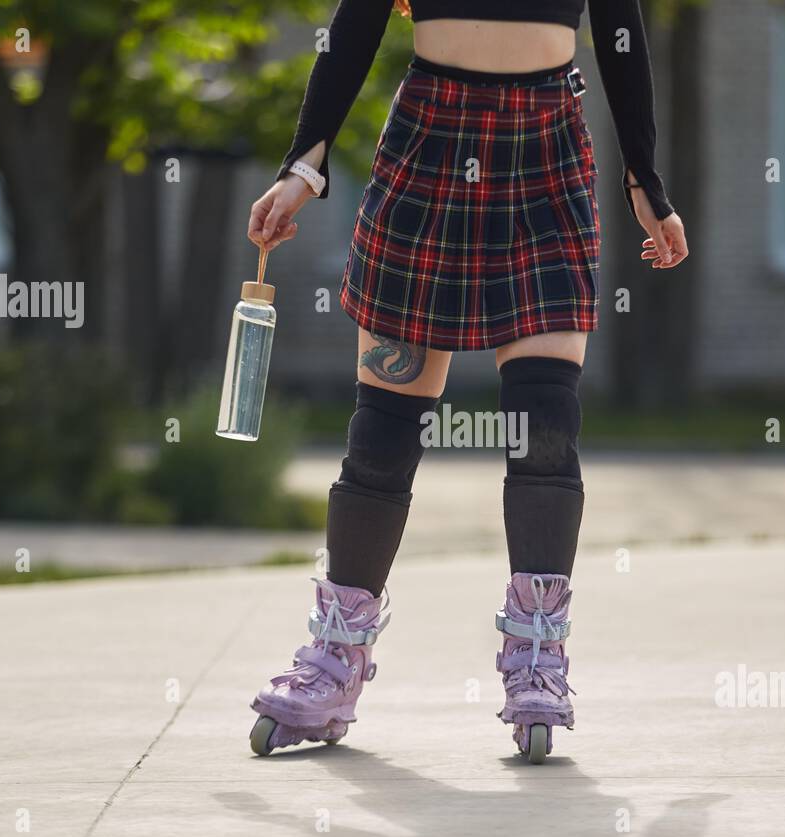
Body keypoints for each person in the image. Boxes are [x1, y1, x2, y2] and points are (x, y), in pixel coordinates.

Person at [246, 0, 687, 763]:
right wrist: (303, 167)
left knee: (545, 424)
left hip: (546, 145)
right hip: (429, 142)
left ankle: (538, 657)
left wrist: (644, 178)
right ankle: (334, 660)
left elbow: (622, 30)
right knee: (383, 431)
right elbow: (352, 28)